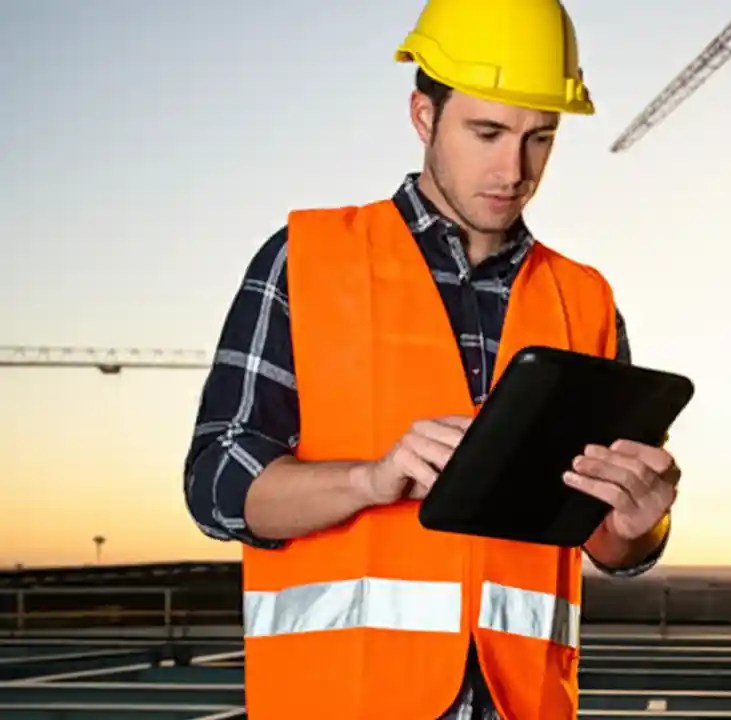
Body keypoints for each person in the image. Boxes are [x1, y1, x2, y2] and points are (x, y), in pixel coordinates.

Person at [181, 1, 680, 717]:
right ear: (424, 117)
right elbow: (216, 484)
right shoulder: (310, 261)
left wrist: (642, 526)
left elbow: (610, 541)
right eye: (488, 132)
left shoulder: (585, 298)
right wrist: (369, 478)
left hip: (525, 705)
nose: (515, 169)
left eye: (540, 137)